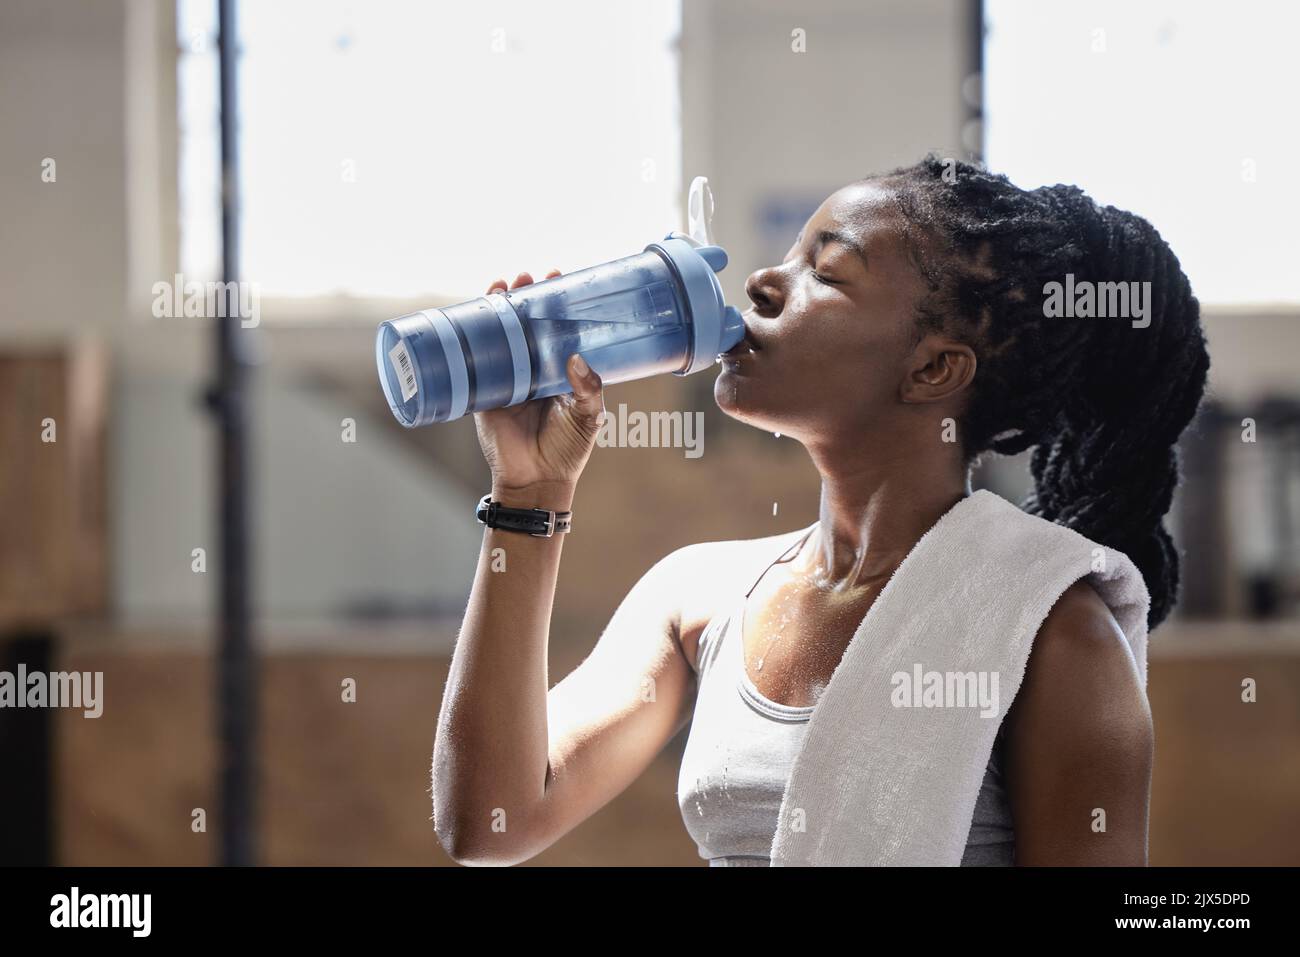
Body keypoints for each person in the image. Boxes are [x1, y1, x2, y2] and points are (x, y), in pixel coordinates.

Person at [431, 155, 1210, 866]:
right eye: (790, 255)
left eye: (826, 272)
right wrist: (529, 492)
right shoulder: (700, 596)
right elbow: (490, 820)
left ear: (934, 368)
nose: (765, 282)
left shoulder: (1054, 633)